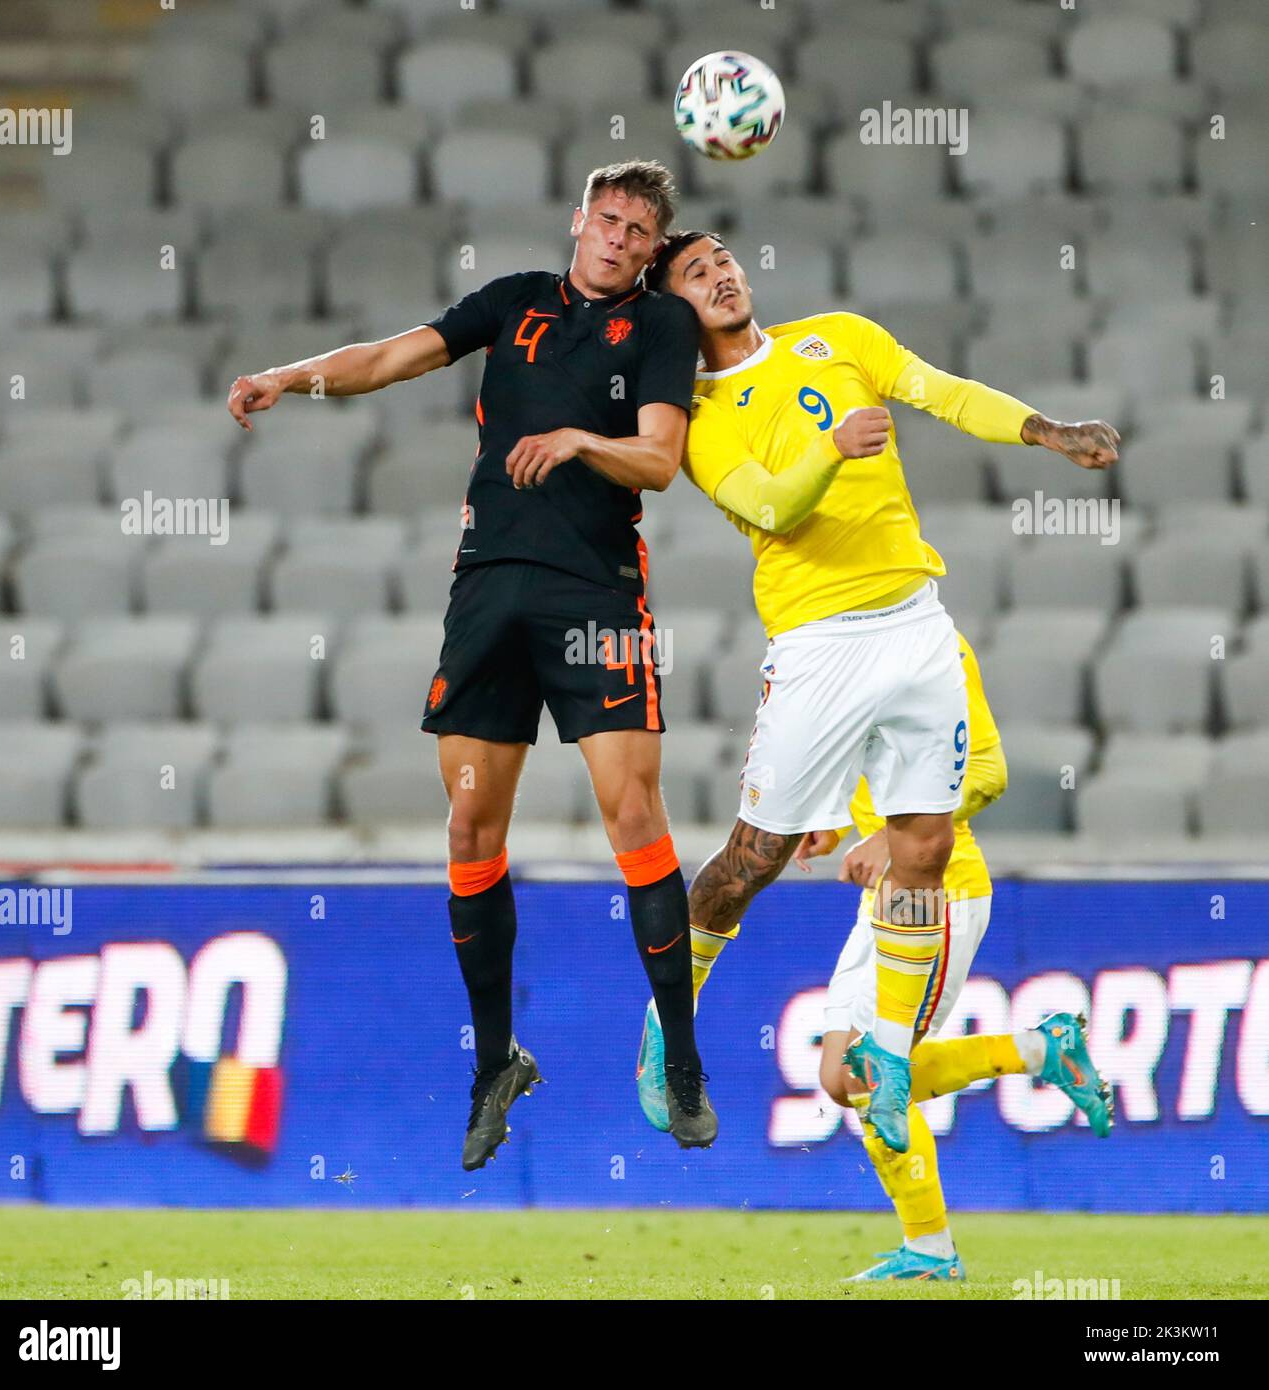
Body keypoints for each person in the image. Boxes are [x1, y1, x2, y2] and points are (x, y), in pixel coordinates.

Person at [226, 163, 717, 1168]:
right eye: (609, 220)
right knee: (468, 823)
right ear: (580, 220)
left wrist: (581, 438)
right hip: (490, 588)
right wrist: (291, 375)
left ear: (651, 250)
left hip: (595, 595)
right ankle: (495, 1061)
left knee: (633, 812)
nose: (619, 240)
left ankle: (683, 1060)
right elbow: (393, 356)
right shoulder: (515, 302)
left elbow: (662, 461)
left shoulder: (661, 329)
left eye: (639, 232)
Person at [637, 230, 1119, 1154]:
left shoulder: (841, 336)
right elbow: (770, 505)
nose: (724, 274)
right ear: (672, 307)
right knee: (754, 857)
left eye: (726, 258)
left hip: (914, 621)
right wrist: (833, 447)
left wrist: (1047, 432)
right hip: (819, 643)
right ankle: (668, 1025)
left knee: (922, 847)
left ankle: (892, 1054)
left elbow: (947, 393)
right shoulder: (694, 414)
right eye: (697, 273)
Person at [641, 627, 1113, 1281]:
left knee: (863, 1075)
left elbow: (987, 771)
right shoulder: (851, 640)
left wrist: (891, 843)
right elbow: (868, 759)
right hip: (884, 906)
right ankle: (1039, 1049)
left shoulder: (935, 645)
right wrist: (835, 821)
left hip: (939, 897)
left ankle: (933, 1252)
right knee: (843, 1077)